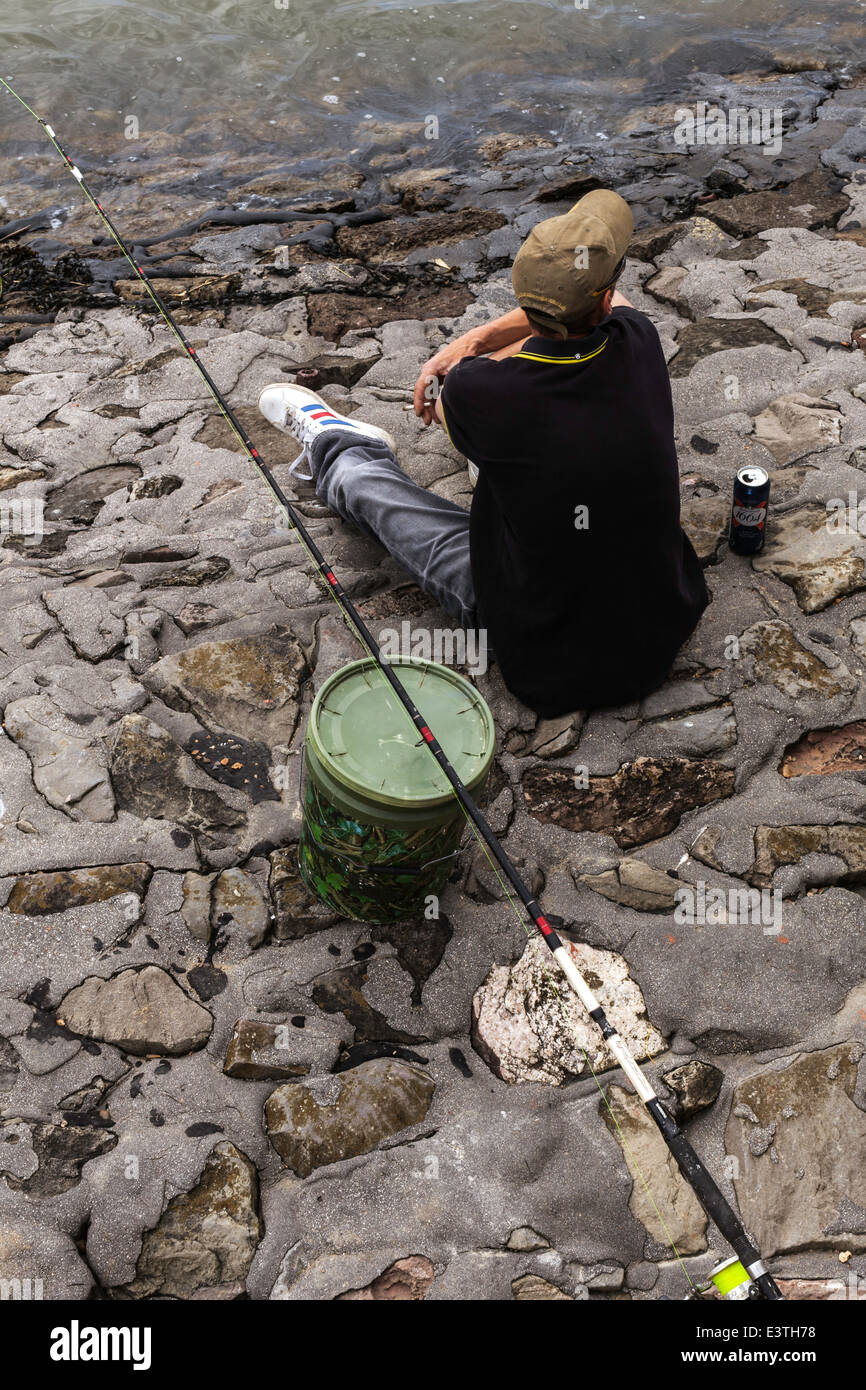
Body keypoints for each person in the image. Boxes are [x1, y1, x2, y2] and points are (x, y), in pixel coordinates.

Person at [258, 189, 708, 717]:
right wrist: (479, 346)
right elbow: (610, 308)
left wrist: (466, 351)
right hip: (661, 628)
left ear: (520, 291)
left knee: (367, 489)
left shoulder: (479, 393)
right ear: (606, 300)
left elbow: (441, 401)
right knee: (527, 422)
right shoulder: (639, 339)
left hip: (543, 654)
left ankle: (338, 445)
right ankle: (495, 454)